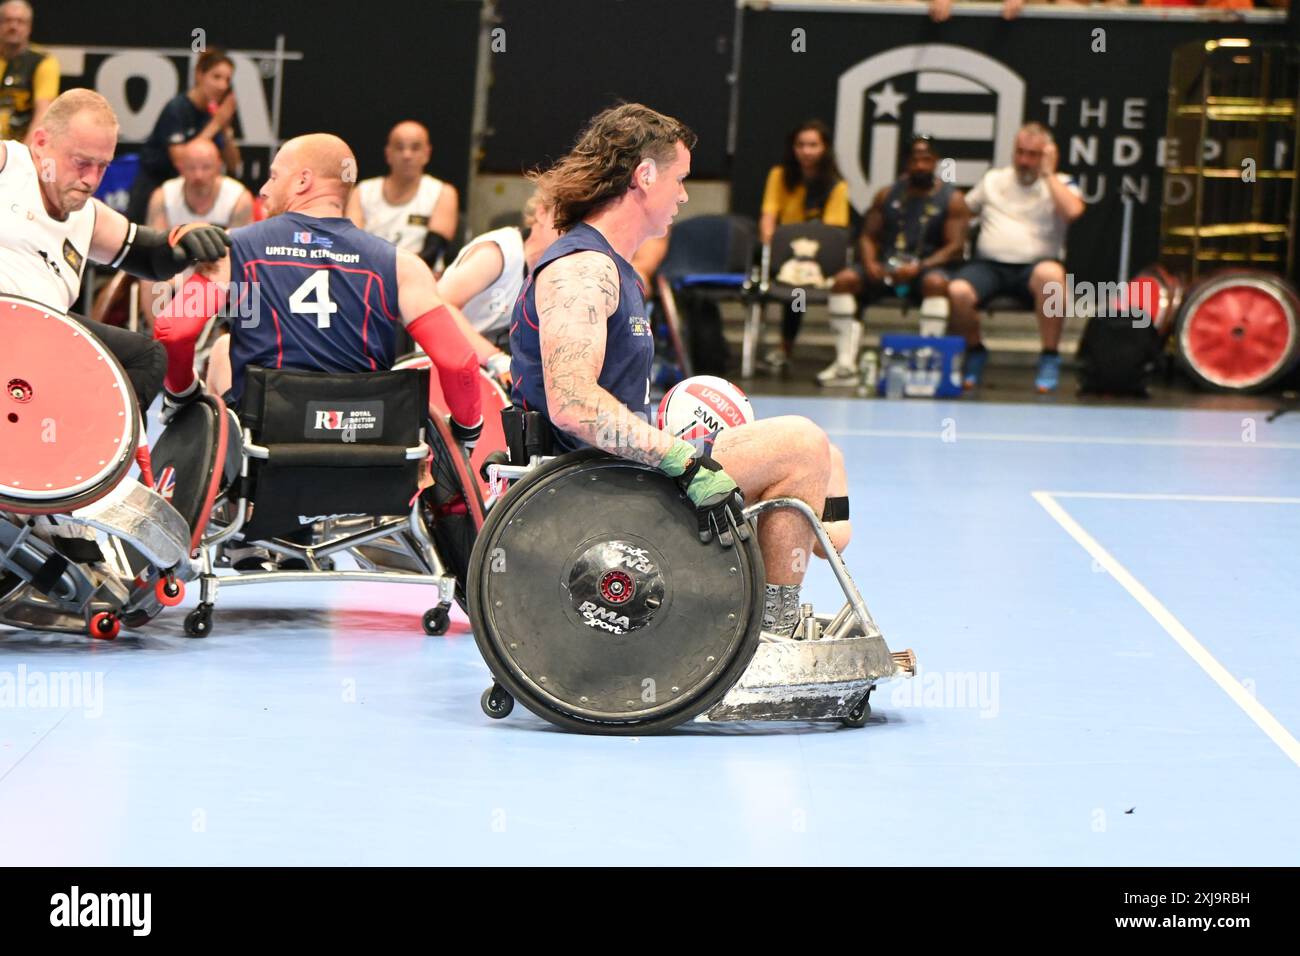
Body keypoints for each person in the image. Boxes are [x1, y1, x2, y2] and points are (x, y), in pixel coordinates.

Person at [512, 103, 851, 638]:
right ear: (645, 176)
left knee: (824, 462)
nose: (685, 195)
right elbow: (573, 403)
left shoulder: (614, 269)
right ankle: (770, 635)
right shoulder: (583, 270)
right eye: (680, 179)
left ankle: (767, 604)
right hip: (588, 489)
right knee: (800, 442)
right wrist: (682, 459)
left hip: (616, 471)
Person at [153, 133, 481, 453]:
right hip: (366, 437)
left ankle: (238, 497)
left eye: (273, 176)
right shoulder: (401, 263)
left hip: (269, 435)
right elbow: (458, 362)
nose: (264, 190)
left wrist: (181, 392)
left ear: (302, 181)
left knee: (224, 348)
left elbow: (174, 331)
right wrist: (465, 433)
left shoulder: (231, 247)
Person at [0, 89, 231, 483]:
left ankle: (86, 474)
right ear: (41, 142)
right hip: (10, 321)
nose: (91, 180)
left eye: (103, 167)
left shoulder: (87, 215)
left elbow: (153, 256)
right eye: (81, 163)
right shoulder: (10, 165)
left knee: (146, 357)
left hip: (43, 338)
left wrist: (189, 237)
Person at [947, 122, 1085, 393]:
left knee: (1052, 278)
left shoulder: (1062, 183)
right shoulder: (993, 180)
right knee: (957, 291)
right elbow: (962, 211)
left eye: (1033, 154)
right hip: (989, 266)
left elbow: (1072, 212)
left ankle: (1049, 356)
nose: (1024, 161)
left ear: (1046, 155)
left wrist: (1048, 174)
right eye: (1020, 152)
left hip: (1034, 268)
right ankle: (975, 351)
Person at [820, 134, 967, 386]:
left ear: (936, 162)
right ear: (905, 163)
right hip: (886, 266)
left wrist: (920, 266)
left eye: (926, 159)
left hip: (925, 268)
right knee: (844, 280)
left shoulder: (952, 199)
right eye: (915, 159)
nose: (920, 165)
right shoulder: (886, 194)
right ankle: (845, 364)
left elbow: (955, 247)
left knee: (936, 284)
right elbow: (867, 236)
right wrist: (870, 263)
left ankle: (926, 362)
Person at [431, 191, 559, 386]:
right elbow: (435, 306)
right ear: (542, 212)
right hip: (440, 362)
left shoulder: (558, 271)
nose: (573, 231)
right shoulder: (498, 253)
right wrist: (494, 358)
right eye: (567, 219)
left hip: (491, 375)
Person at [758, 119, 852, 369]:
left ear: (825, 148)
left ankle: (843, 358)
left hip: (816, 262)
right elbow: (768, 218)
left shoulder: (836, 186)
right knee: (791, 291)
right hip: (783, 258)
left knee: (797, 296)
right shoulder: (779, 176)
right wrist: (772, 246)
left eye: (813, 145)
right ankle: (782, 350)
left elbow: (832, 235)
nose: (806, 151)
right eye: (801, 145)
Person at [143, 138, 253, 330]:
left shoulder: (238, 198)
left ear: (219, 166)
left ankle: (237, 343)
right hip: (174, 269)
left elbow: (242, 254)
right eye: (192, 168)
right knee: (149, 278)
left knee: (250, 281)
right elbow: (155, 249)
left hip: (220, 271)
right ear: (180, 167)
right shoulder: (163, 196)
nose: (199, 175)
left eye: (206, 167)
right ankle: (160, 342)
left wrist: (212, 276)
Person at [127, 48, 240, 222]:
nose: (222, 86)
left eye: (227, 80)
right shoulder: (177, 109)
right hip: (153, 189)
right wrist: (216, 123)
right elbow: (182, 161)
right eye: (216, 77)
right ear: (199, 75)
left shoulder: (213, 115)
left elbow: (234, 165)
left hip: (185, 196)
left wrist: (224, 129)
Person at [346, 120, 459, 273]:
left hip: (421, 278)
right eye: (399, 147)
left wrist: (398, 274)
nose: (407, 155)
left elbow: (432, 252)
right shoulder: (362, 191)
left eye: (415, 148)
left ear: (427, 153)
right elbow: (351, 245)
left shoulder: (443, 193)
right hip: (369, 276)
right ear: (388, 153)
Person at [0, 0, 58, 144]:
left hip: (21, 145)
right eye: (7, 20)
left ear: (29, 27)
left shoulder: (43, 62)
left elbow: (43, 115)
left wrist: (22, 156)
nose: (13, 26)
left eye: (20, 21)